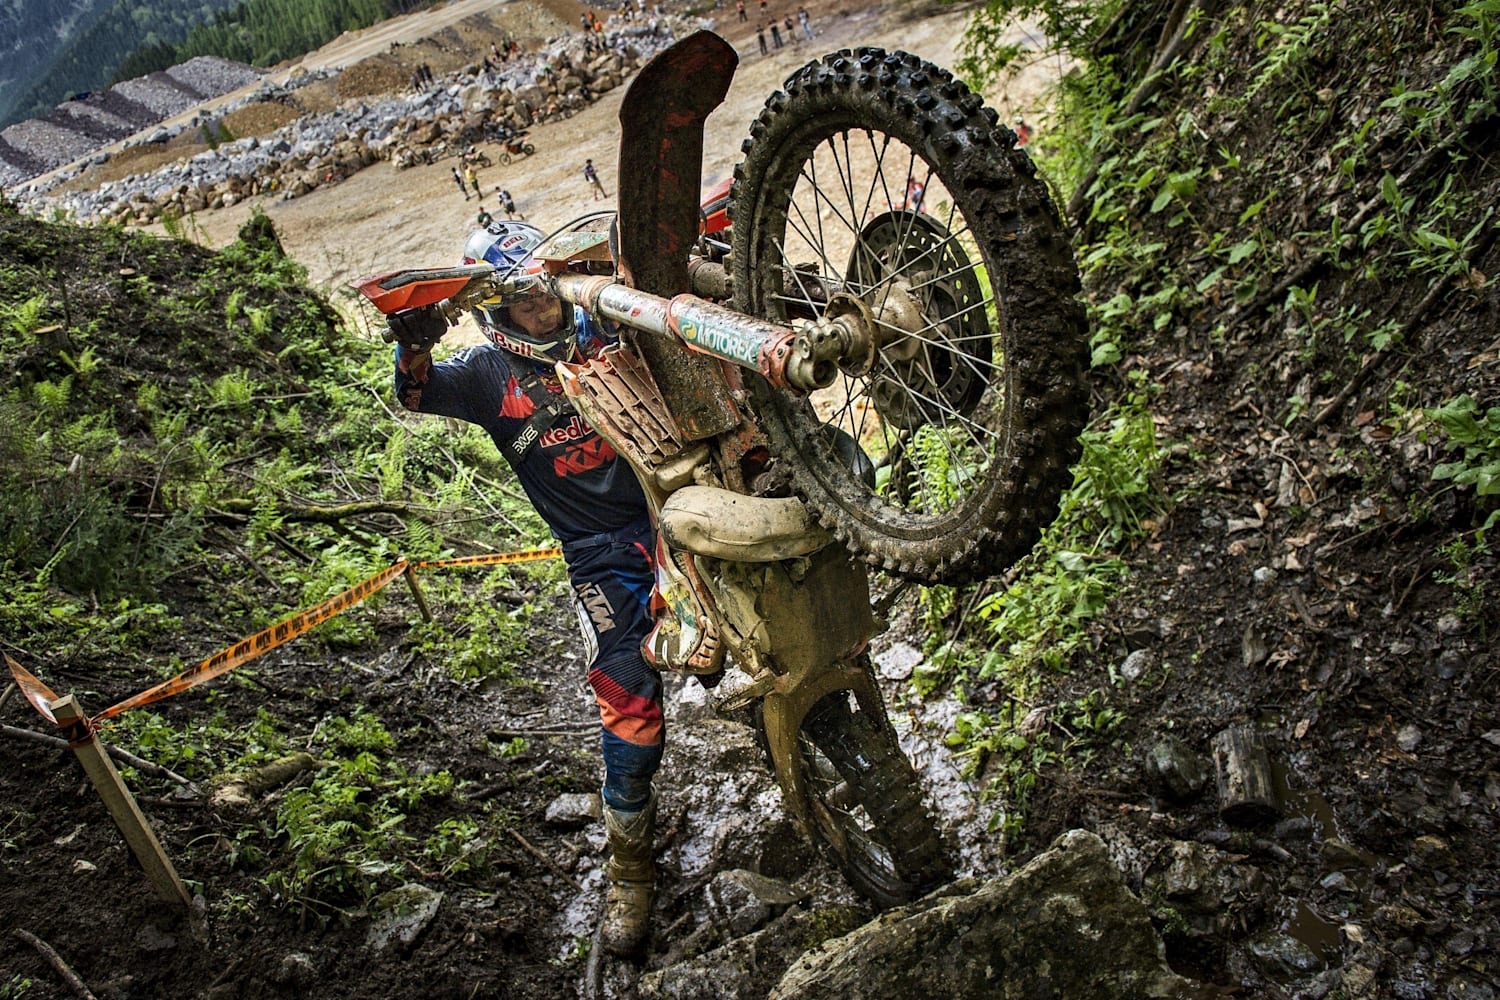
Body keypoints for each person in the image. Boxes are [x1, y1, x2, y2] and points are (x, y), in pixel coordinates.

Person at [384, 222, 664, 956]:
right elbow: (411, 397)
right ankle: (631, 874)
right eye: (520, 303)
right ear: (493, 311)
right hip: (600, 557)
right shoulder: (483, 373)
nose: (539, 312)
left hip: (676, 507)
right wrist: (412, 340)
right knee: (629, 697)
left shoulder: (607, 322)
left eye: (544, 294)